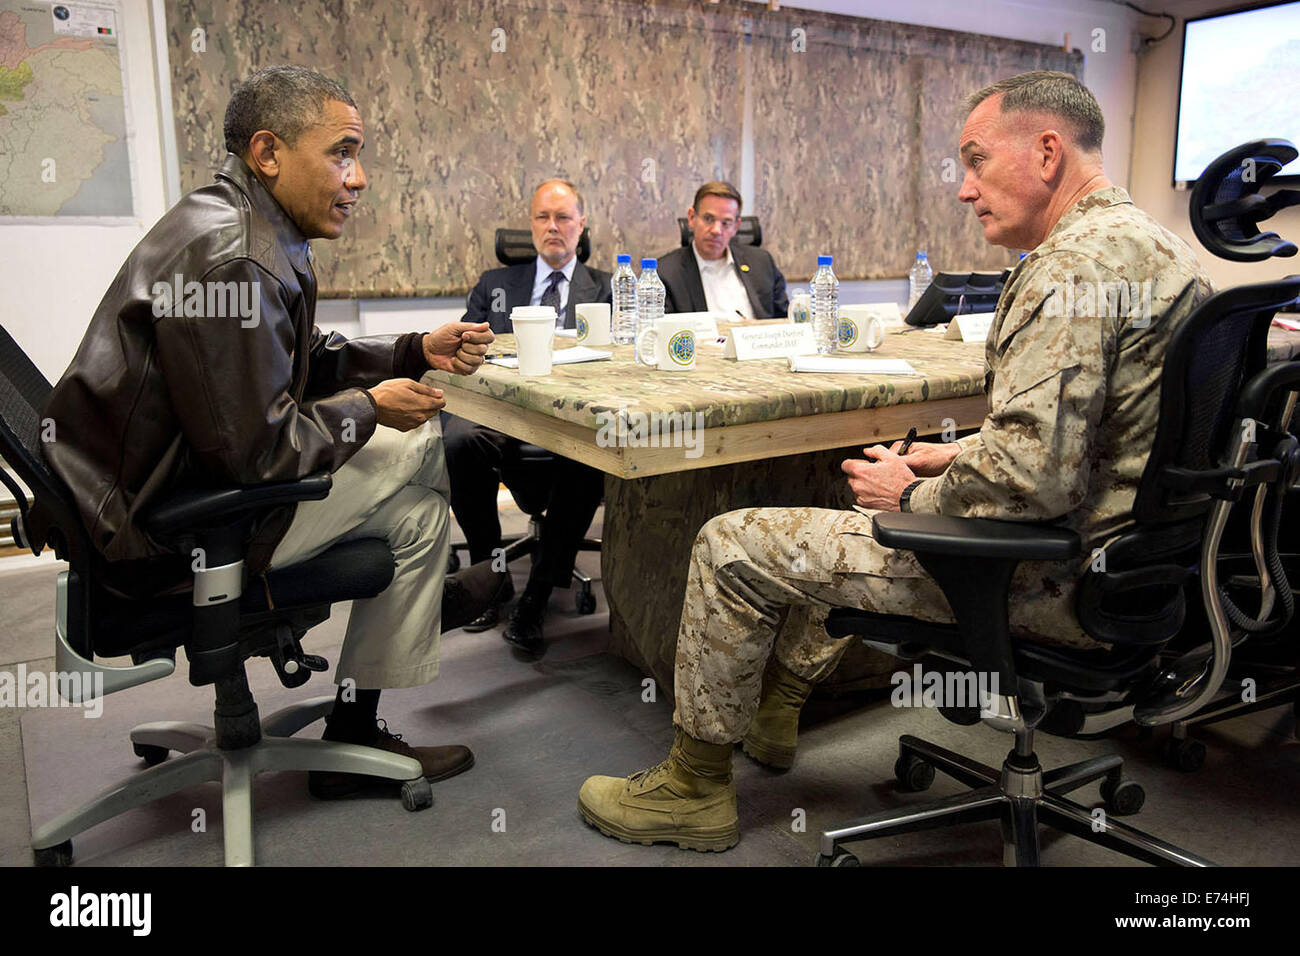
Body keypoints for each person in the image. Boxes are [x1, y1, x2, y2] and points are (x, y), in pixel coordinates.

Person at [577, 70, 1215, 851]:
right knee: (849, 513)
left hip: (1042, 579)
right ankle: (778, 708)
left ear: (1047, 152)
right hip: (1136, 576)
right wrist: (949, 455)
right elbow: (1099, 439)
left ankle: (693, 789)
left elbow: (1031, 480)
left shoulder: (1065, 271)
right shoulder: (1166, 253)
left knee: (732, 541)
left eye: (976, 160)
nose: (964, 189)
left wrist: (906, 497)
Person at [42, 66, 505, 799]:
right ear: (268, 152)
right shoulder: (241, 257)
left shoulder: (238, 222)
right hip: (168, 535)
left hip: (158, 498)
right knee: (421, 443)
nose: (359, 178)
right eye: (343, 152)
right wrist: (372, 407)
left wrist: (413, 349)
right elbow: (258, 452)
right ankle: (462, 591)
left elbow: (295, 362)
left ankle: (364, 715)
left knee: (417, 518)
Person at [444, 180, 611, 656]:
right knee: (457, 441)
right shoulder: (496, 286)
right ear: (530, 225)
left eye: (563, 218)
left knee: (592, 450)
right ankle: (489, 576)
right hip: (503, 414)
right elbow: (464, 354)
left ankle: (537, 595)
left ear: (582, 225)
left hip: (578, 415)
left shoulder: (607, 289)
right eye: (543, 217)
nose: (553, 227)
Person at [656, 181, 788, 319]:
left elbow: (786, 321)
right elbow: (666, 334)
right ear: (691, 217)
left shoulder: (761, 262)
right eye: (708, 219)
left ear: (736, 226)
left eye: (726, 223)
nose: (716, 230)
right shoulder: (666, 273)